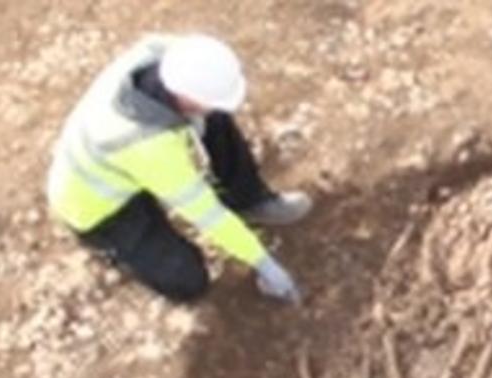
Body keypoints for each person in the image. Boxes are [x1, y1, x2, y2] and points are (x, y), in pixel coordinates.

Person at [45, 33, 307, 304]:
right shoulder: (145, 144)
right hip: (98, 208)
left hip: (125, 166)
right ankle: (114, 249)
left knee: (214, 115)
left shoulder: (163, 53)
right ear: (184, 97)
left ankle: (249, 200)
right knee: (188, 281)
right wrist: (264, 264)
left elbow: (205, 85)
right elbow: (207, 214)